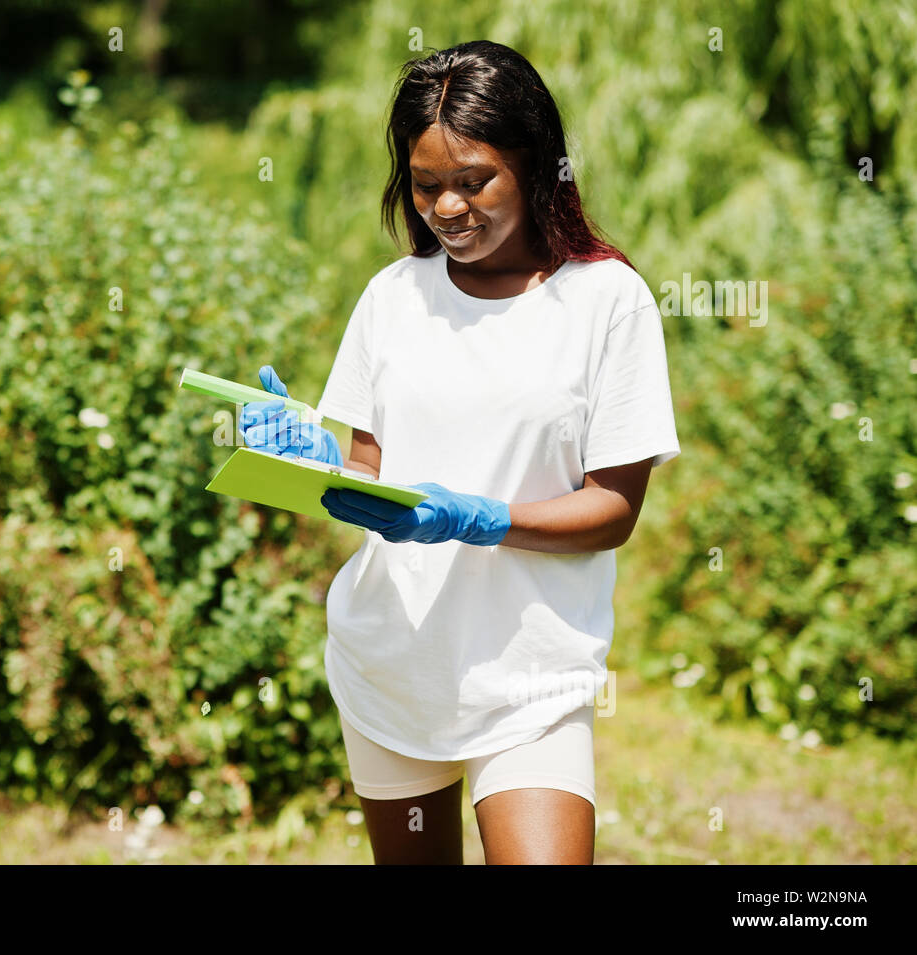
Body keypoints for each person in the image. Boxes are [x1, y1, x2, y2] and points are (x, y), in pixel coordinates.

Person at [238, 39, 681, 864]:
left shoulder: (606, 300)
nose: (446, 207)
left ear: (539, 165)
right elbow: (366, 478)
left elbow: (613, 510)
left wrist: (483, 520)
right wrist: (306, 458)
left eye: (473, 180)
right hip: (393, 664)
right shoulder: (393, 297)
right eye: (426, 184)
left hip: (532, 678)